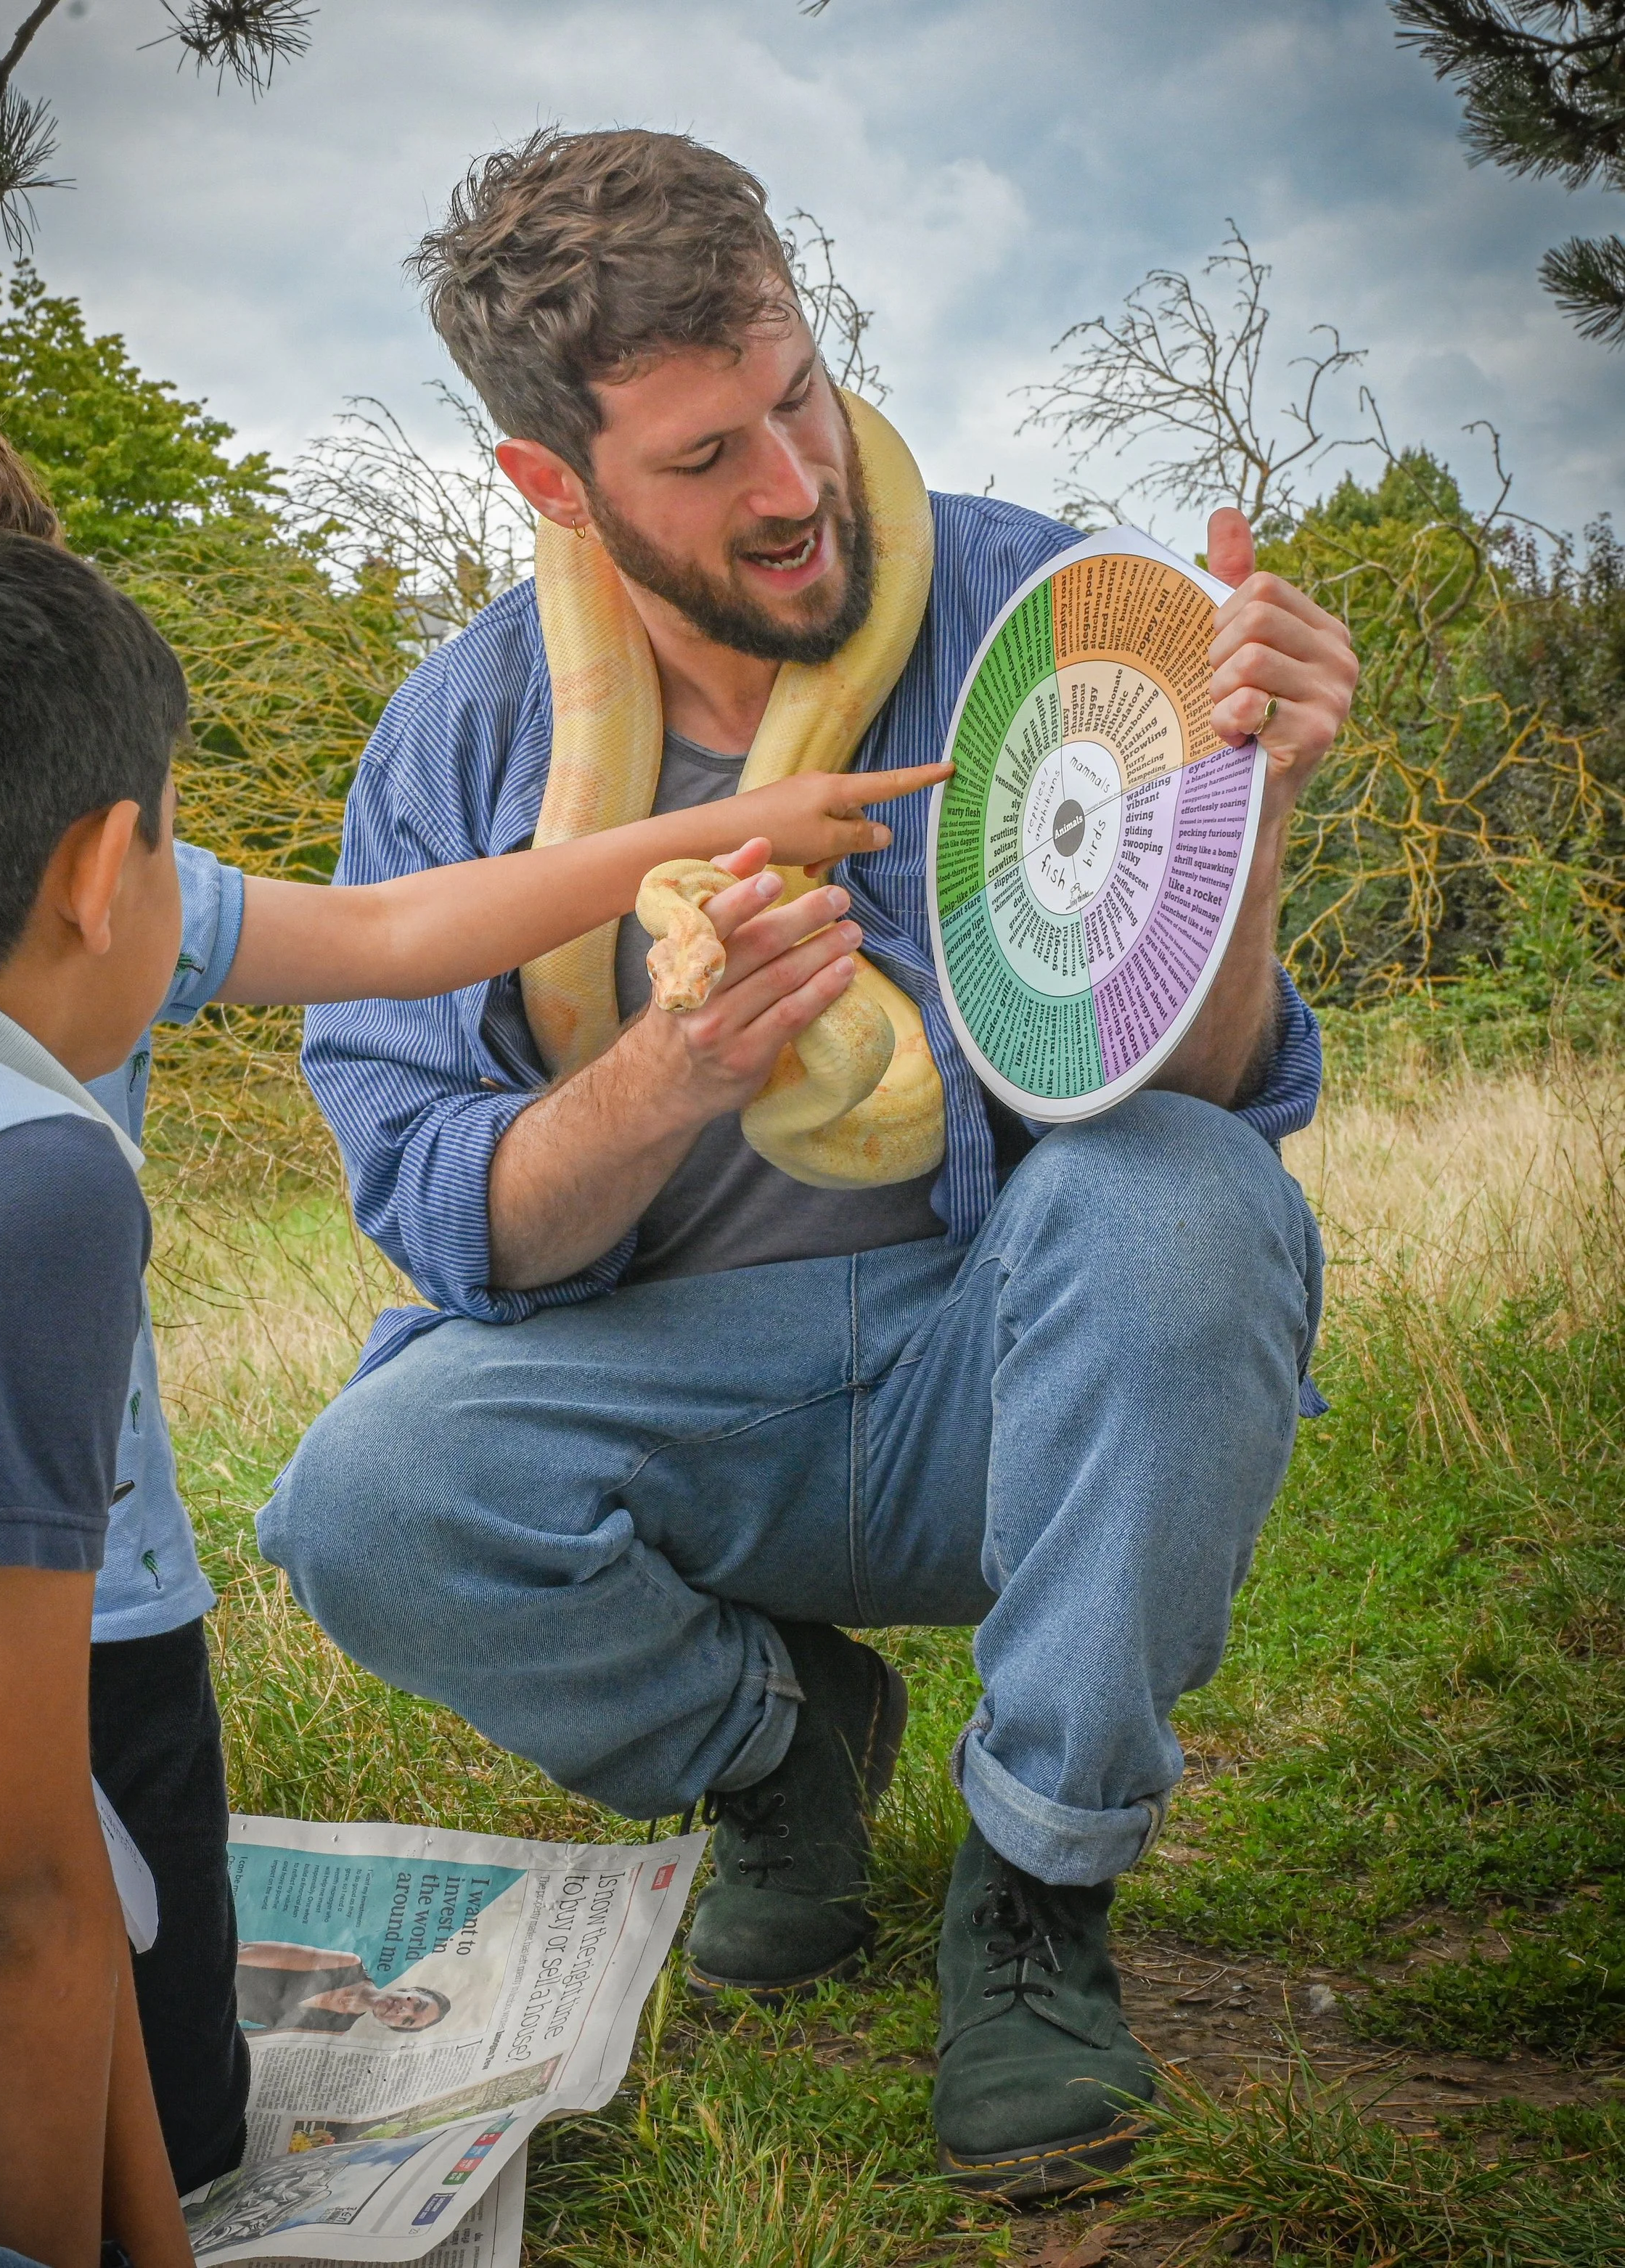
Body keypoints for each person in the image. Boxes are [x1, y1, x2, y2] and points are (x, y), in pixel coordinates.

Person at [261, 128, 1359, 2199]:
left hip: (988, 1359)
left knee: (1191, 1198)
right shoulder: (458, 744)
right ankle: (779, 1750)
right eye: (702, 457)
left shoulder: (1048, 612)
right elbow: (446, 1216)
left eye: (799, 396)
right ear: (552, 485)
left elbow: (1206, 1088)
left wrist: (1257, 808)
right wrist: (672, 1069)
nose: (791, 487)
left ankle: (1036, 1890)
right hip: (681, 1387)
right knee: (362, 1497)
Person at [0, 382, 944, 2201]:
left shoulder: (71, 899)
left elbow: (405, 929)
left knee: (144, 2109)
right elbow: (6, 1892)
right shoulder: (15, 1158)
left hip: (91, 1600)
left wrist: (717, 824)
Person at [234, 1946, 450, 2036]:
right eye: (417, 2004)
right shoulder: (349, 1964)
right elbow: (244, 1953)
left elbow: (263, 2035)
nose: (403, 2011)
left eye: (407, 2021)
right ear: (411, 1990)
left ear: (395, 2027)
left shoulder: (339, 2027)